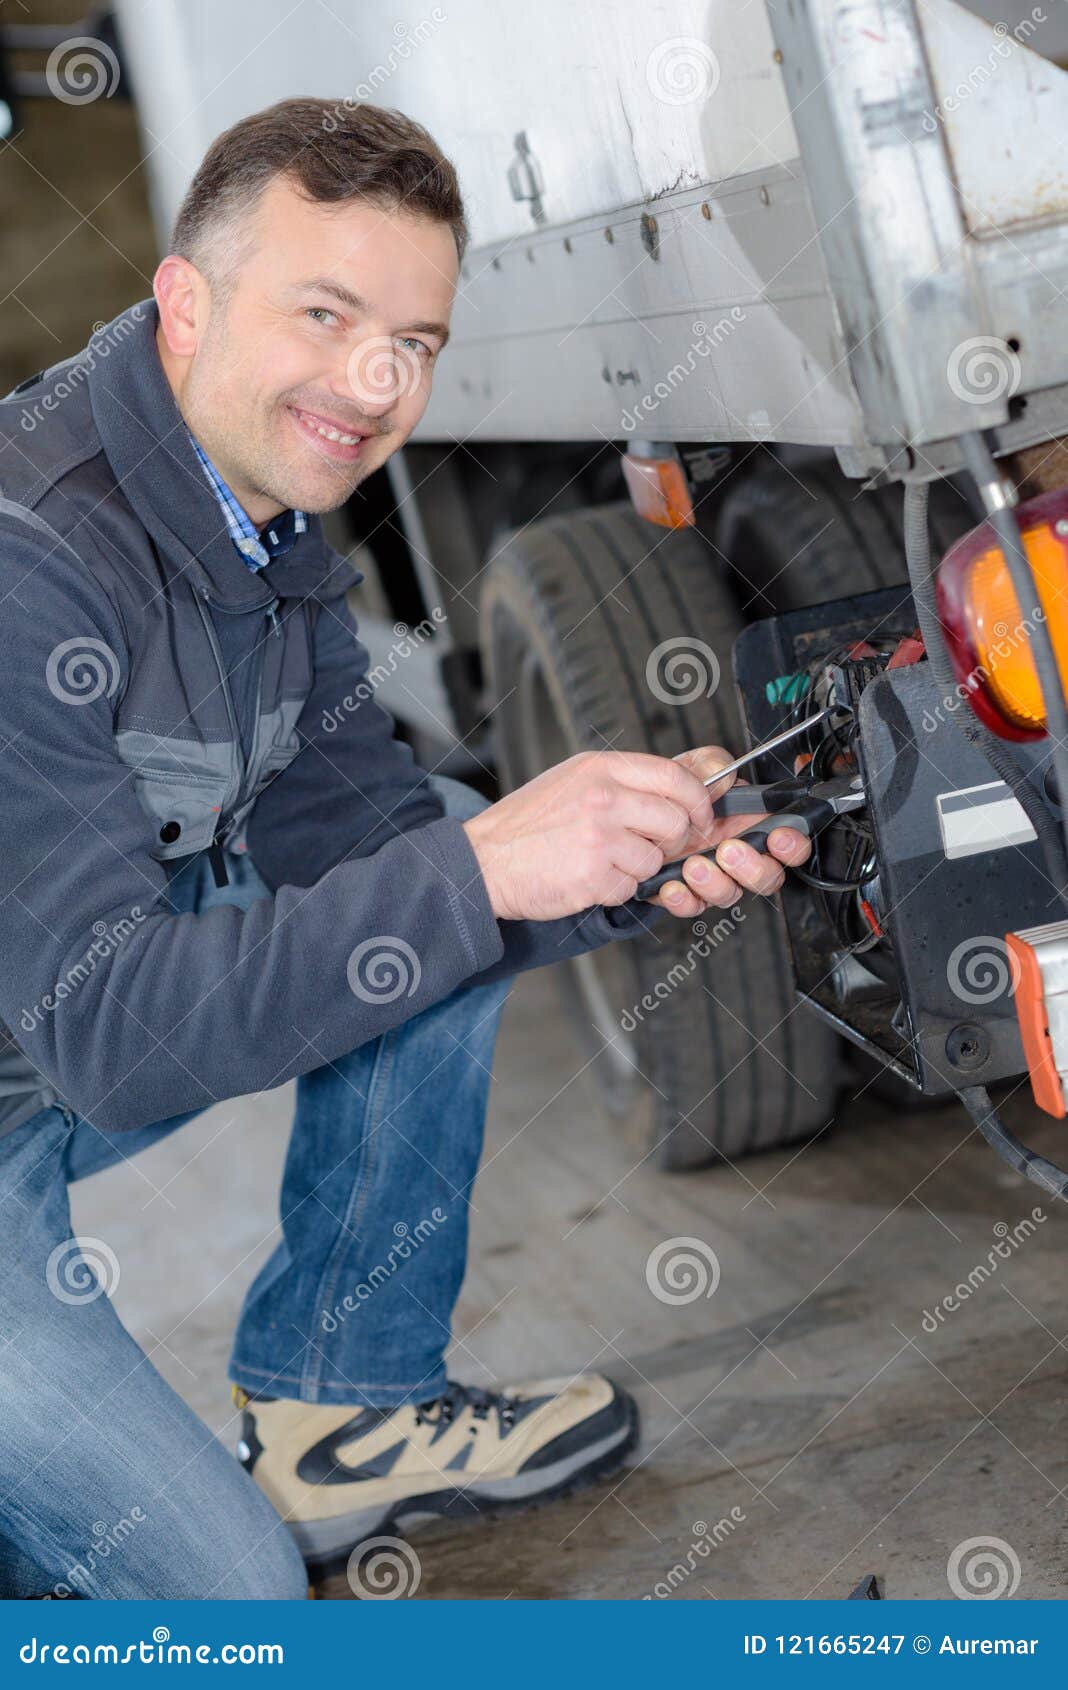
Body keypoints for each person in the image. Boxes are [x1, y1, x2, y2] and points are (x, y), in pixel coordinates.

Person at [0, 98, 810, 1598]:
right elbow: (112, 1034)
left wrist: (624, 863)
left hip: (36, 1055)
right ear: (185, 303)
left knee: (433, 851)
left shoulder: (264, 524)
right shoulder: (29, 559)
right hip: (65, 1045)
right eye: (326, 312)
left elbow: (371, 852)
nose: (375, 381)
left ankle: (341, 1404)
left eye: (417, 342)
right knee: (223, 1602)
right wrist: (494, 863)